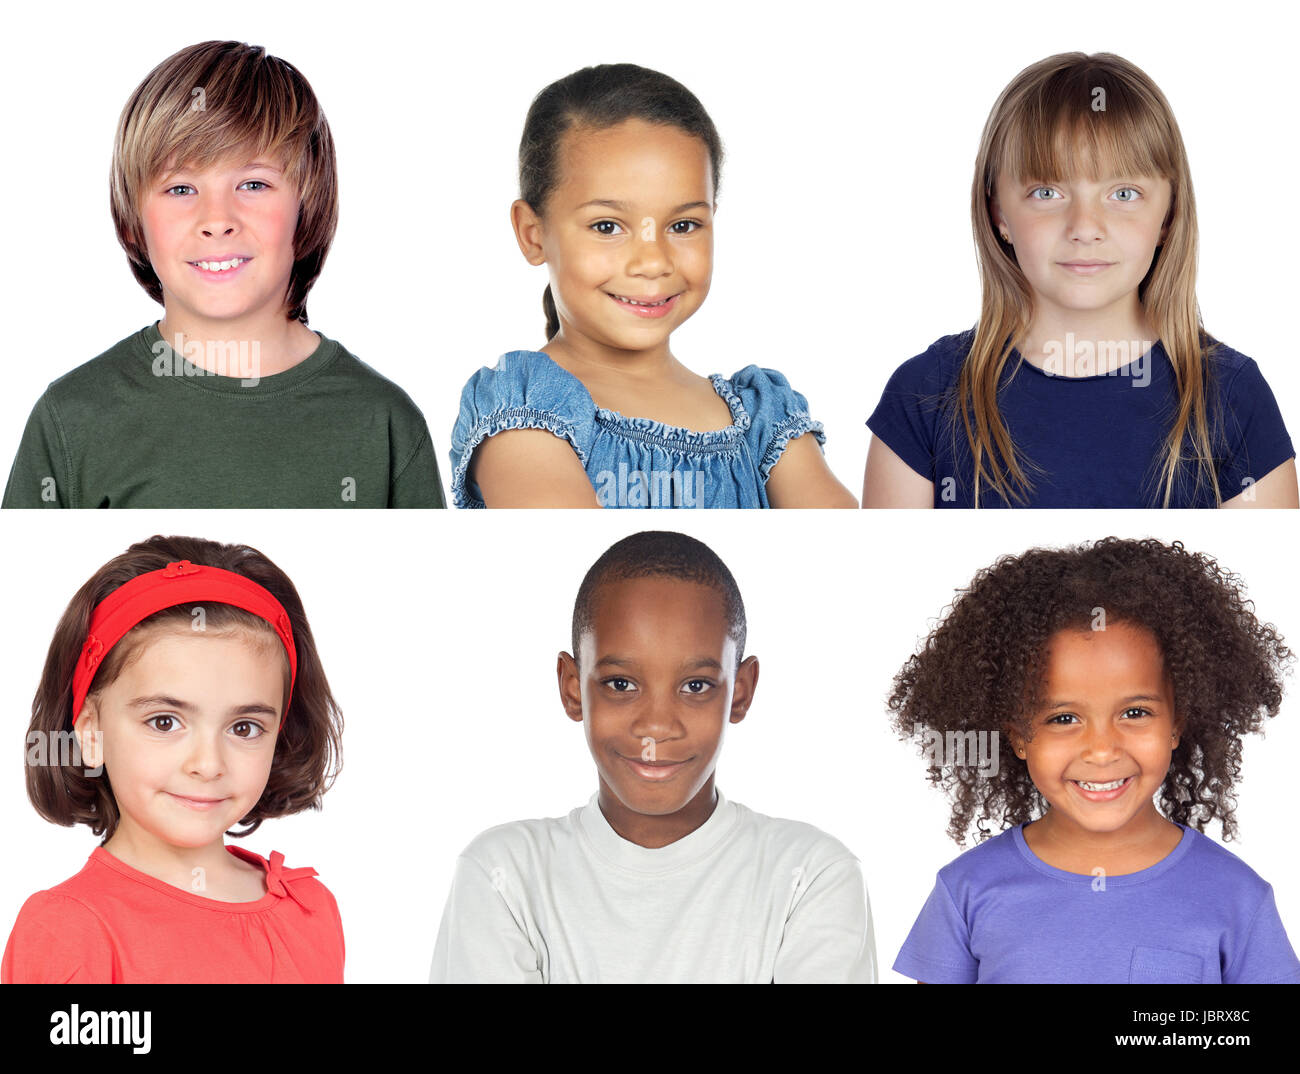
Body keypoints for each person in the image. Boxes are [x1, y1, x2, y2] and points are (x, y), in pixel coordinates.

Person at [2, 39, 444, 508]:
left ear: (307, 206)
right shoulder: (72, 418)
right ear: (135, 219)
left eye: (253, 184)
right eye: (181, 187)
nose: (217, 219)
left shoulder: (385, 423)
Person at [430, 530, 874, 981]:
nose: (657, 727)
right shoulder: (503, 875)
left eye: (696, 686)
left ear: (740, 692)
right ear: (572, 687)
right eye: (621, 684)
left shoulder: (811, 877)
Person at [863, 52, 1296, 508]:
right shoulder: (924, 395)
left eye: (1124, 193)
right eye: (1046, 192)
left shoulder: (1232, 396)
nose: (1085, 226)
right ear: (998, 214)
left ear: (1168, 214)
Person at [888, 537, 1299, 982]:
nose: (1102, 750)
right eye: (1063, 718)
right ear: (1018, 736)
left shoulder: (1237, 899)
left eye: (1135, 713)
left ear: (1177, 722)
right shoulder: (966, 893)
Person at [451, 64, 856, 508]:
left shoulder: (766, 420)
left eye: (683, 225)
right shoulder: (520, 408)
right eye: (607, 226)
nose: (653, 261)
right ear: (533, 233)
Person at [3, 535, 345, 982]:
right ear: (90, 731)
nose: (207, 764)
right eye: (164, 722)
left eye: (244, 728)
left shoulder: (311, 908)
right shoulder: (69, 929)